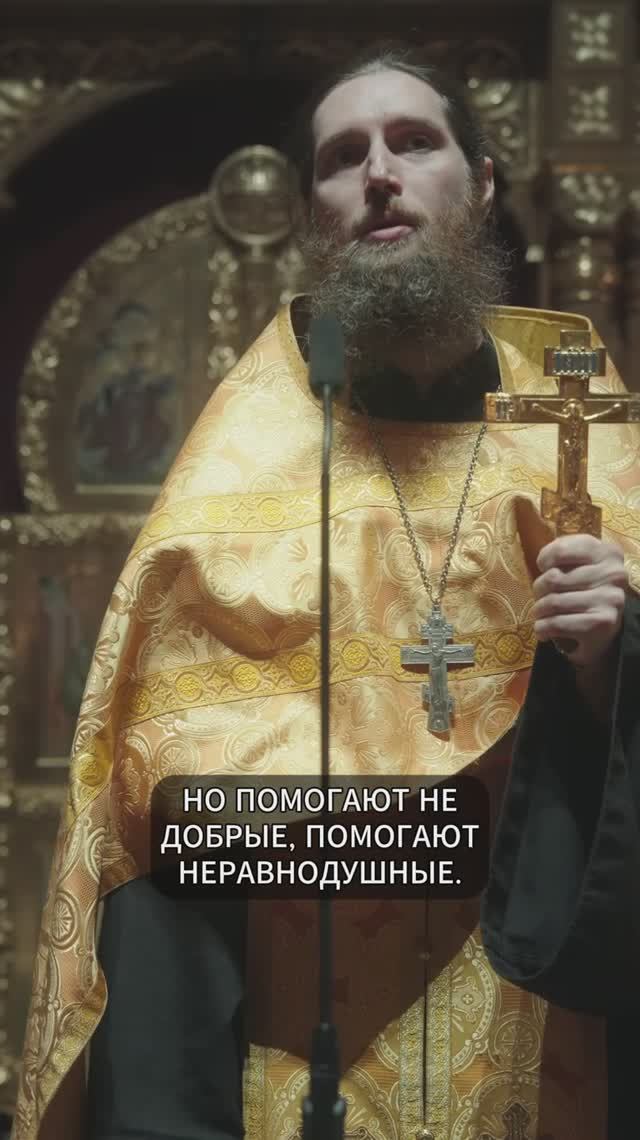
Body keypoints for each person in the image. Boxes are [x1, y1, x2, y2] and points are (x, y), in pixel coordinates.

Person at [12, 42, 640, 1140]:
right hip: (296, 1059)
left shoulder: (584, 448)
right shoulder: (237, 473)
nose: (379, 174)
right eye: (344, 156)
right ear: (315, 213)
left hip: (542, 1040)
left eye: (414, 142)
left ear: (482, 182)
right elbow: (155, 831)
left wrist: (610, 666)